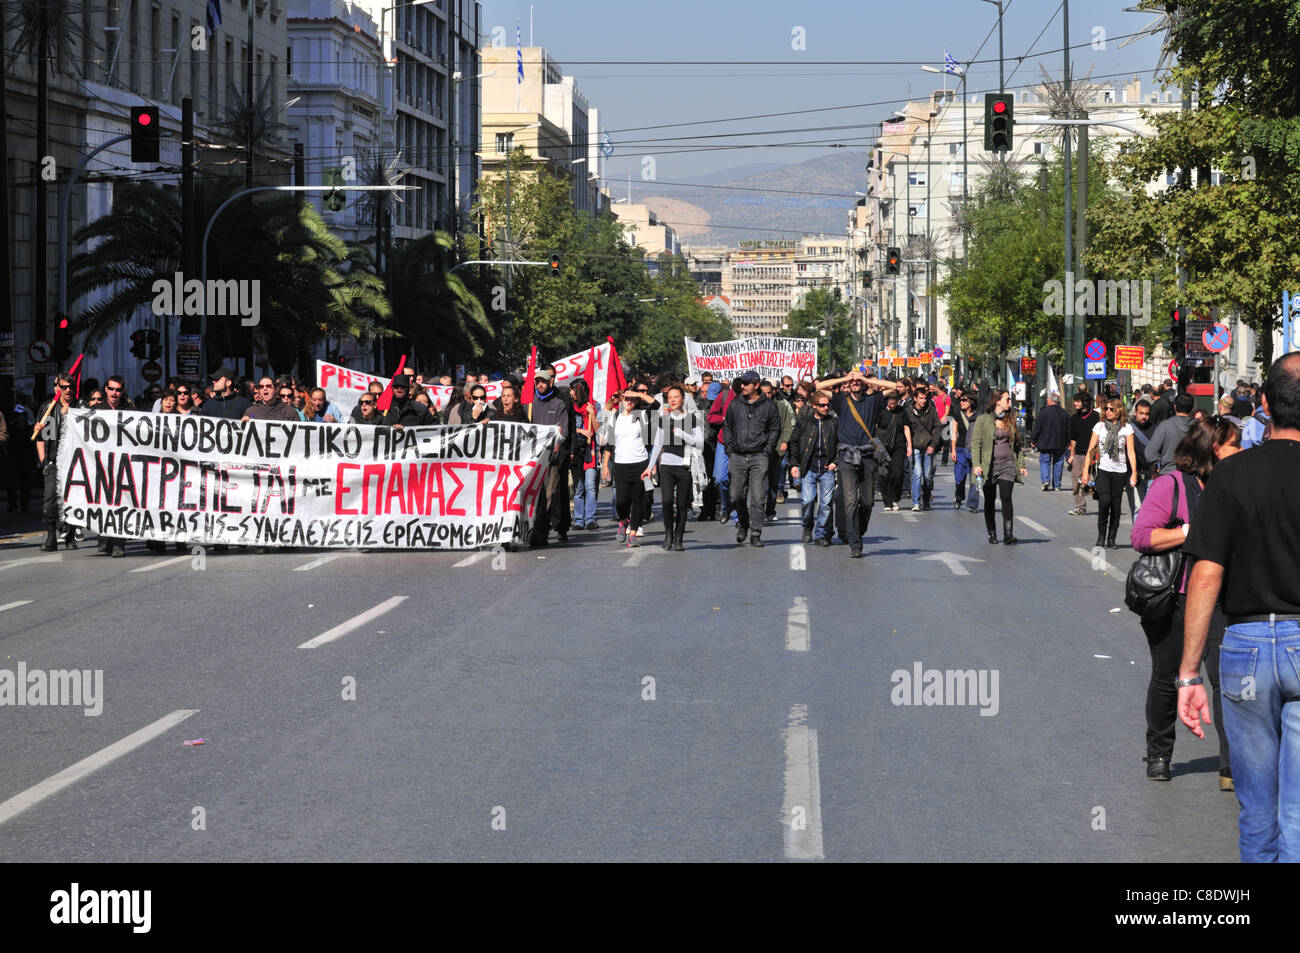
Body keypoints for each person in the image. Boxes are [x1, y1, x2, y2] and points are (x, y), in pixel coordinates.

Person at [1179, 354, 1300, 861]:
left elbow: (1205, 574)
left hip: (1246, 643)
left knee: (1256, 811)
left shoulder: (1231, 476)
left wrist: (1188, 674)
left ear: (1264, 405)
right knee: (1297, 811)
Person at [1132, 417, 1238, 785]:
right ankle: (1159, 752)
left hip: (1223, 599)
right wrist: (1187, 532)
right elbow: (1142, 536)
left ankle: (1230, 765)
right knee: (1168, 676)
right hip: (1175, 597)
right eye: (1233, 445)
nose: (1241, 452)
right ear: (1212, 448)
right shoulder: (1171, 484)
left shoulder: (1234, 486)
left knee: (1226, 680)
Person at [816, 369, 898, 558]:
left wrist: (864, 378)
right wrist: (847, 378)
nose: (855, 383)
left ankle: (858, 530)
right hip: (846, 456)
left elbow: (894, 386)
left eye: (857, 382)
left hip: (867, 454)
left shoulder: (873, 401)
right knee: (850, 501)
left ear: (863, 385)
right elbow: (819, 387)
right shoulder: (841, 400)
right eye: (853, 382)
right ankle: (855, 544)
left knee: (867, 502)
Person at [723, 370, 780, 547]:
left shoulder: (769, 405)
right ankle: (743, 522)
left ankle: (756, 532)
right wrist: (729, 449)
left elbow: (774, 429)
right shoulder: (735, 404)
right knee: (735, 496)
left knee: (757, 498)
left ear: (756, 385)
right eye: (742, 383)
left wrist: (767, 450)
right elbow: (727, 427)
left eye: (746, 383)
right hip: (738, 455)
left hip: (759, 456)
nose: (742, 386)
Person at [645, 385, 703, 551]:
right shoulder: (664, 419)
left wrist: (682, 434)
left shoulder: (692, 419)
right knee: (667, 501)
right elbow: (657, 444)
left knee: (683, 504)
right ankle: (668, 533)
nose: (672, 400)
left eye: (676, 397)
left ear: (682, 399)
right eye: (670, 397)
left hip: (685, 467)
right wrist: (650, 467)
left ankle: (679, 538)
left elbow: (699, 442)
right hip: (667, 466)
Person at [970, 389, 1027, 545]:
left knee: (1006, 498)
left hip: (1007, 464)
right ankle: (992, 533)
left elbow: (1017, 445)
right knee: (989, 500)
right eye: (1007, 399)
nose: (1010, 402)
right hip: (989, 466)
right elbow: (975, 445)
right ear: (997, 401)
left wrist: (1021, 465)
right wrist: (976, 465)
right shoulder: (983, 419)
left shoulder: (1010, 419)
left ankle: (1008, 534)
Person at [525, 368, 574, 546]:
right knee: (533, 494)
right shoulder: (530, 404)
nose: (540, 384)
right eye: (537, 381)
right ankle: (533, 529)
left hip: (551, 459)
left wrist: (557, 445)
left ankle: (542, 532)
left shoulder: (559, 404)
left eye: (543, 381)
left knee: (549, 494)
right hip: (531, 458)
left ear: (550, 383)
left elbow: (565, 431)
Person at [603, 385, 656, 546]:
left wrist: (637, 394)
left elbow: (656, 406)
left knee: (638, 500)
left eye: (632, 399)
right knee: (621, 501)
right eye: (627, 398)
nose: (629, 401)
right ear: (622, 399)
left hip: (639, 463)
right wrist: (605, 465)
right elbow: (609, 445)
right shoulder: (615, 417)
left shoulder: (642, 416)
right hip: (620, 464)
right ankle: (623, 521)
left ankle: (633, 532)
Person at [1083, 397, 1139, 549]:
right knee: (1104, 501)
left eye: (1111, 409)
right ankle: (1101, 536)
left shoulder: (1127, 428)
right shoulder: (1099, 427)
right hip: (1103, 470)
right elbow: (1090, 450)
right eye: (1106, 409)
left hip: (1120, 471)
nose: (1108, 411)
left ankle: (1111, 538)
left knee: (1116, 506)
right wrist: (1085, 472)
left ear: (1119, 411)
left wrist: (1134, 472)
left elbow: (1131, 452)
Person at [34, 375, 77, 552]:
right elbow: (44, 437)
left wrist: (70, 415)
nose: (68, 390)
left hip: (74, 462)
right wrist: (44, 461)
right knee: (50, 500)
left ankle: (70, 535)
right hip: (53, 461)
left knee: (72, 500)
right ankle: (51, 538)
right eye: (64, 387)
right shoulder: (48, 408)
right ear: (58, 388)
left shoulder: (78, 407)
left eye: (71, 387)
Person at [789, 389, 837, 545]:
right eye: (822, 405)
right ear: (814, 406)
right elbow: (794, 442)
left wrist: (835, 462)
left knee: (826, 504)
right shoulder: (804, 422)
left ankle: (821, 533)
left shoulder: (833, 422)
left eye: (827, 405)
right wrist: (794, 463)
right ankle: (807, 526)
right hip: (808, 466)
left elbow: (840, 443)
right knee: (808, 501)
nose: (825, 408)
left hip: (827, 467)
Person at [569, 378, 600, 531]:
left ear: (580, 390)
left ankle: (590, 519)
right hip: (576, 450)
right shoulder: (569, 406)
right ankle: (579, 519)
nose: (570, 393)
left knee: (590, 486)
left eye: (573, 390)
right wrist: (580, 430)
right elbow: (566, 428)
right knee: (578, 488)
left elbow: (599, 430)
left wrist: (592, 414)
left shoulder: (594, 406)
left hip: (590, 451)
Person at [903, 385, 941, 511]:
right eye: (920, 398)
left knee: (928, 476)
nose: (923, 401)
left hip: (928, 446)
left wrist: (933, 445)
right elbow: (906, 428)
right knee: (917, 474)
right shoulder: (908, 410)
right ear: (915, 398)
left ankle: (926, 499)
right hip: (915, 446)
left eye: (925, 398)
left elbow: (938, 427)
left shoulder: (931, 410)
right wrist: (908, 445)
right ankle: (916, 502)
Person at [1144, 392, 1195, 475]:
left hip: (1169, 473)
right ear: (1191, 407)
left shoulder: (1165, 426)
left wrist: (1159, 463)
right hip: (1192, 474)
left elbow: (1150, 454)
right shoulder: (1198, 427)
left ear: (1175, 406)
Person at [1065, 393, 1098, 516]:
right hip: (1079, 453)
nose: (1075, 404)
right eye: (1075, 401)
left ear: (1085, 402)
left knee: (1095, 480)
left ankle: (1103, 500)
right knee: (1075, 478)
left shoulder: (1096, 417)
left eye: (1078, 401)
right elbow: (1073, 438)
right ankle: (1080, 507)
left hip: (1094, 453)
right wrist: (1072, 455)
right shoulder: (1074, 418)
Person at [876, 391, 908, 512]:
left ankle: (895, 497)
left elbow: (906, 428)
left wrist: (909, 445)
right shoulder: (880, 412)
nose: (892, 405)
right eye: (890, 403)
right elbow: (874, 428)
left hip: (898, 445)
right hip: (882, 446)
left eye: (894, 403)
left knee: (897, 472)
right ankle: (887, 501)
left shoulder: (902, 412)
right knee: (884, 474)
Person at [1031, 392, 1071, 490]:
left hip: (1045, 442)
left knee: (1045, 461)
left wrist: (1033, 439)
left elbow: (1037, 427)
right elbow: (1069, 429)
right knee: (1058, 463)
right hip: (1060, 442)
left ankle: (1045, 480)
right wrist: (1069, 442)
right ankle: (1057, 485)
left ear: (1049, 400)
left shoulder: (1043, 412)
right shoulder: (1065, 413)